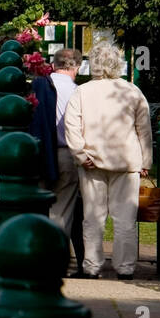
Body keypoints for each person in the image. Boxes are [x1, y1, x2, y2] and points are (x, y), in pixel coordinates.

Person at [63, 43, 152, 279]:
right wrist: (146, 161)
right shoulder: (132, 91)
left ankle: (91, 266)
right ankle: (125, 268)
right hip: (126, 161)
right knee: (125, 219)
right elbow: (144, 130)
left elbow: (71, 127)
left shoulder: (81, 91)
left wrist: (81, 155)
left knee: (92, 217)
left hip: (92, 161)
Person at [48, 49, 87, 273]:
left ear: (54, 64)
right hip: (67, 153)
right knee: (61, 211)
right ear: (77, 67)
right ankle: (56, 262)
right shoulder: (78, 92)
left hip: (40, 153)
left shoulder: (39, 85)